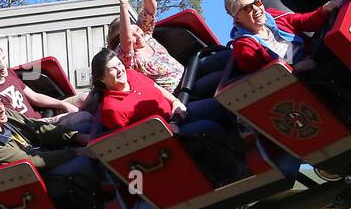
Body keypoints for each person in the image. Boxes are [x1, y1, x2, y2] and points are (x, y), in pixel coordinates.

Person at [89, 48, 242, 158]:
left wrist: (175, 101)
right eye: (112, 69)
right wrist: (167, 130)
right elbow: (133, 142)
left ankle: (246, 143)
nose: (120, 70)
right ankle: (235, 164)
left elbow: (156, 87)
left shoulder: (131, 74)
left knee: (218, 106)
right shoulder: (111, 108)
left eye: (119, 64)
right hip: (166, 139)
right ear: (102, 78)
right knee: (208, 128)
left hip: (176, 113)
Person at [0, 40, 94, 134]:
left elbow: (34, 97)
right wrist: (58, 118)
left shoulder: (9, 73)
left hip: (43, 115)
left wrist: (63, 105)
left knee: (88, 98)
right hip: (35, 129)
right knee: (85, 118)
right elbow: (23, 126)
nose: (3, 65)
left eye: (3, 59)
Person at [224, 0, 342, 74]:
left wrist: (325, 9)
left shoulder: (273, 16)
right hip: (298, 81)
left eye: (257, 2)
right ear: (237, 17)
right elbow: (263, 81)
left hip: (312, 54)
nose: (256, 9)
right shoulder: (244, 47)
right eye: (247, 8)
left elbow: (303, 21)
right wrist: (296, 69)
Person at [108, 0, 187, 92]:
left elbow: (150, 11)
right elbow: (127, 41)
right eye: (132, 35)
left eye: (136, 29)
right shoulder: (129, 59)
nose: (138, 35)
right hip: (180, 93)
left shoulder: (145, 35)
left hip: (188, 75)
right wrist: (124, 5)